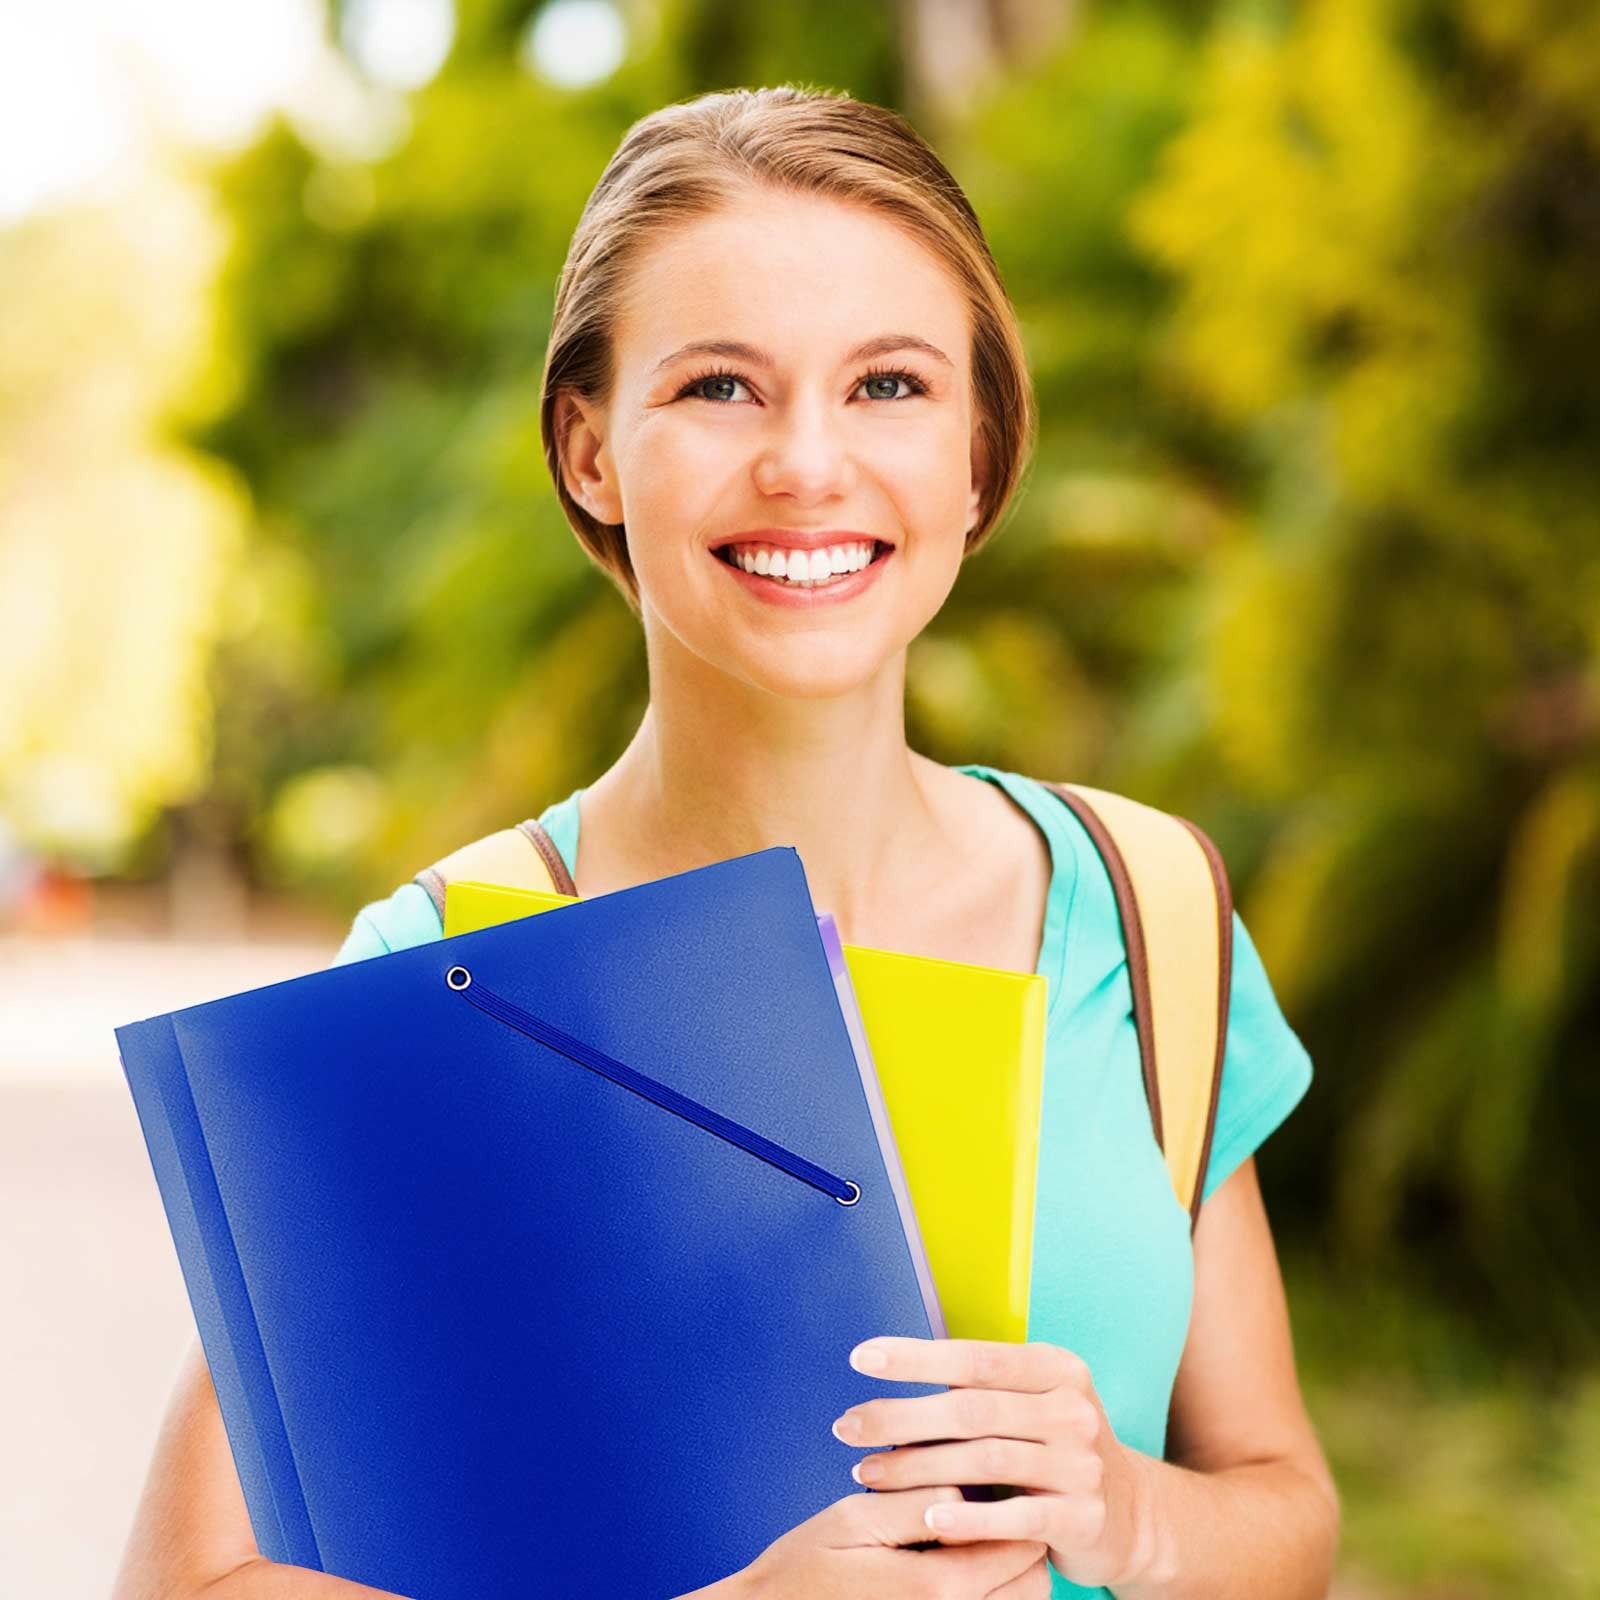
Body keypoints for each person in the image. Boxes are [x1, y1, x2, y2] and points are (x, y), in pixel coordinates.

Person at [113, 85, 1339, 1600]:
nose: (808, 465)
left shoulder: (1142, 907)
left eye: (889, 385)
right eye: (719, 390)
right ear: (590, 454)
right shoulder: (457, 964)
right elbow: (190, 1584)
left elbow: (1284, 1508)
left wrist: (1127, 1516)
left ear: (976, 453)